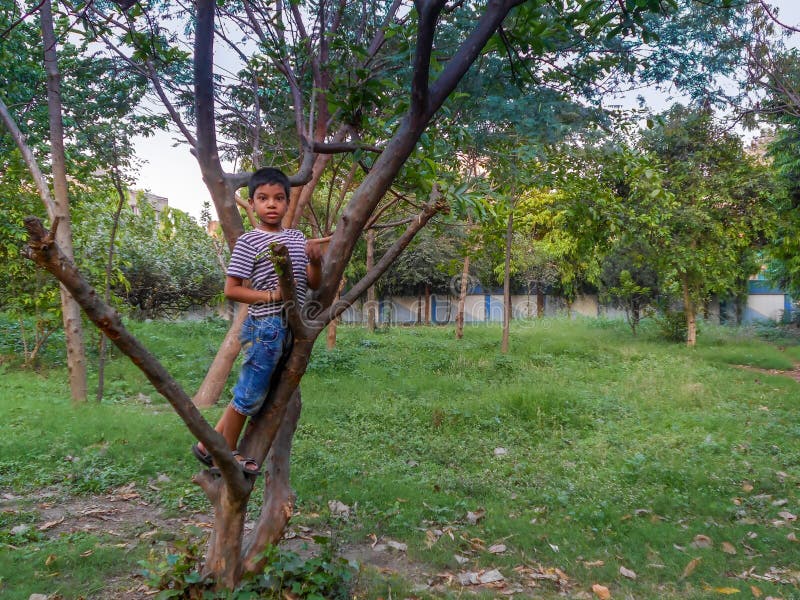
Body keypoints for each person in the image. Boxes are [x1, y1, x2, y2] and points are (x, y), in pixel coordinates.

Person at [192, 167, 323, 475]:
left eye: (279, 198)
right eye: (263, 198)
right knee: (250, 393)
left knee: (252, 388)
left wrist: (316, 261)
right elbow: (232, 289)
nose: (271, 204)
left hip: (290, 327)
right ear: (252, 204)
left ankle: (206, 445)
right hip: (266, 327)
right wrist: (270, 297)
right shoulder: (249, 241)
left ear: (288, 203)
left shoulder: (296, 238)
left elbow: (314, 283)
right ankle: (227, 452)